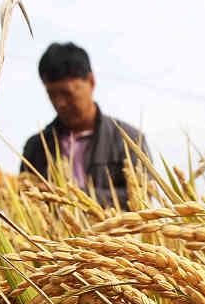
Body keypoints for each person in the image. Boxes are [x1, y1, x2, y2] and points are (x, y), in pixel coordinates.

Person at [19, 43, 149, 209]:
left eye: (67, 93)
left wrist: (70, 195)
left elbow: (142, 196)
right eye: (52, 95)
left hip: (114, 234)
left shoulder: (128, 139)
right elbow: (24, 204)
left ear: (91, 82)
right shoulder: (36, 147)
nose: (60, 103)